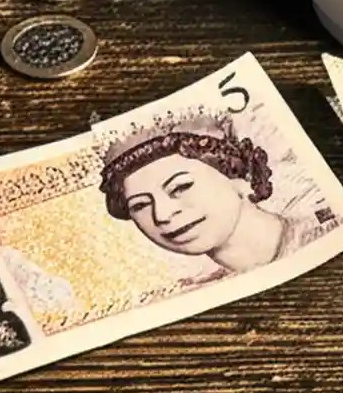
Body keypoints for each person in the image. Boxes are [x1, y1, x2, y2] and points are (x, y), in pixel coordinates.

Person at [99, 108, 316, 281]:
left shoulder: (320, 237)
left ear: (239, 176)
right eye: (139, 205)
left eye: (180, 187)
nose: (162, 215)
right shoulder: (197, 292)